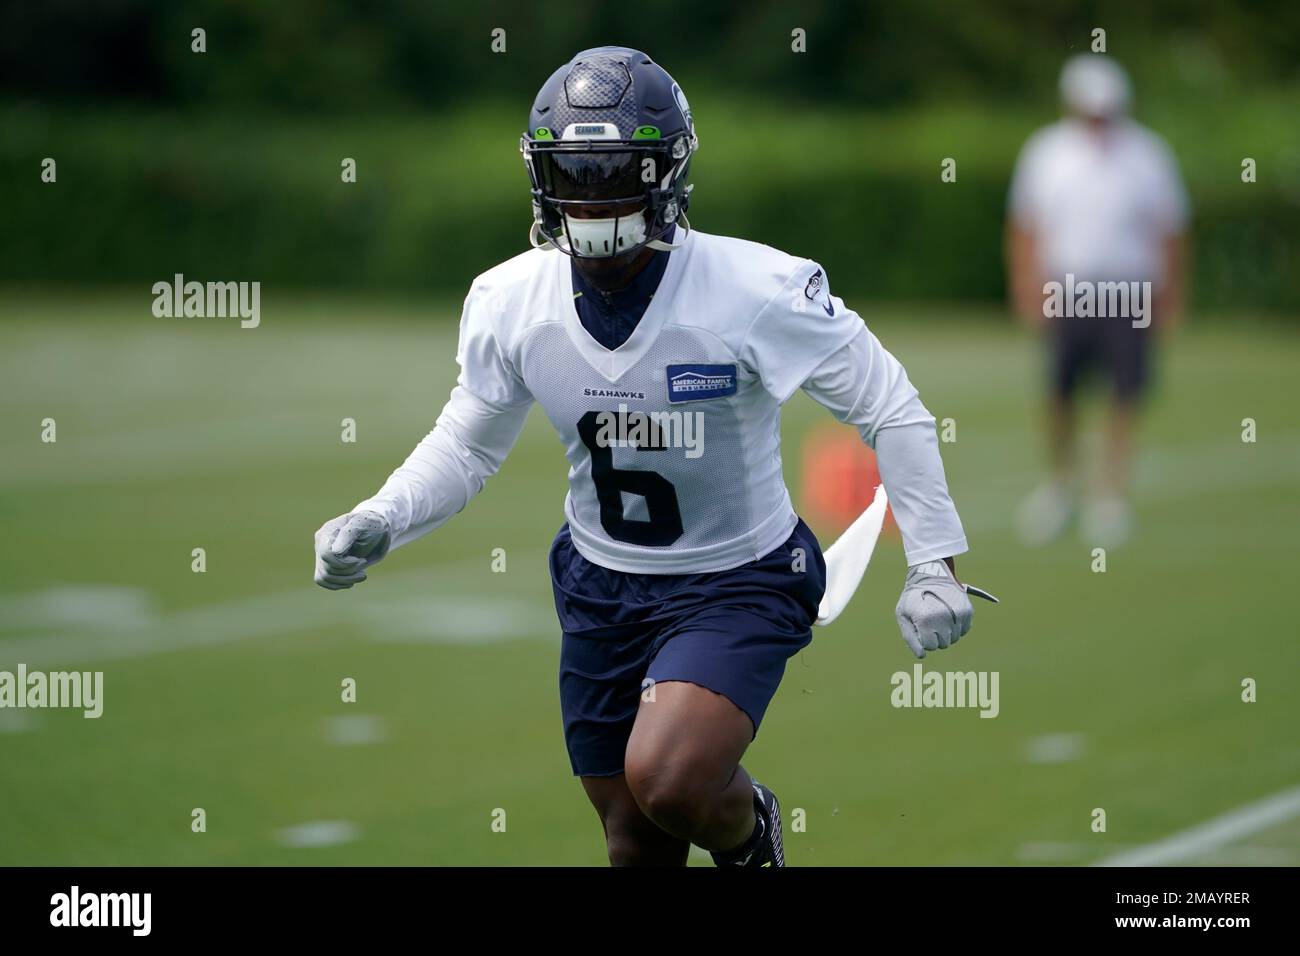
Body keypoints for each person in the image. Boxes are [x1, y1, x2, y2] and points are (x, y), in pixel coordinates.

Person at [313, 47, 989, 867]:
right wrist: (384, 514)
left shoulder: (754, 291)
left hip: (739, 576)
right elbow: (466, 441)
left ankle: (753, 837)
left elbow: (890, 406)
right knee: (633, 832)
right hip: (599, 580)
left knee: (669, 779)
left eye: (613, 172)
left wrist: (934, 564)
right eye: (573, 172)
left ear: (666, 172)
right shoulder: (509, 298)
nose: (590, 197)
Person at [1007, 54, 1189, 547]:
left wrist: (1171, 295)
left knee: (1122, 396)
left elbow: (1169, 229)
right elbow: (1026, 225)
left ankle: (1110, 498)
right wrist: (1027, 284)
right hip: (1067, 289)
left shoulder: (1148, 154)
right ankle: (1060, 488)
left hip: (1129, 289)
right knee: (1059, 393)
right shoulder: (1046, 152)